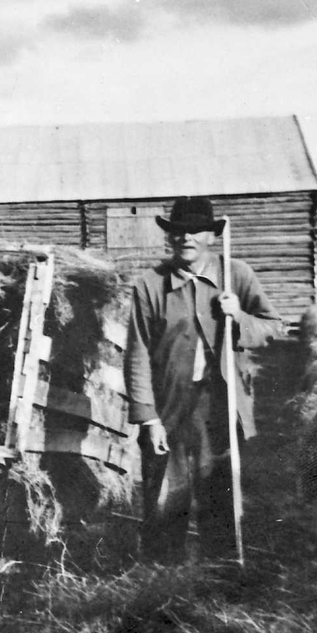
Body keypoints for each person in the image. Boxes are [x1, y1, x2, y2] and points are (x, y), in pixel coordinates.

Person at [124, 196, 281, 563]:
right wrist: (148, 418)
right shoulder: (150, 285)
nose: (186, 238)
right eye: (178, 231)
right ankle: (163, 580)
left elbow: (274, 328)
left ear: (211, 235)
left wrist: (239, 316)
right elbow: (137, 352)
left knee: (220, 493)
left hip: (220, 408)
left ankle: (221, 576)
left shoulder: (236, 275)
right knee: (165, 496)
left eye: (195, 231)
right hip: (169, 406)